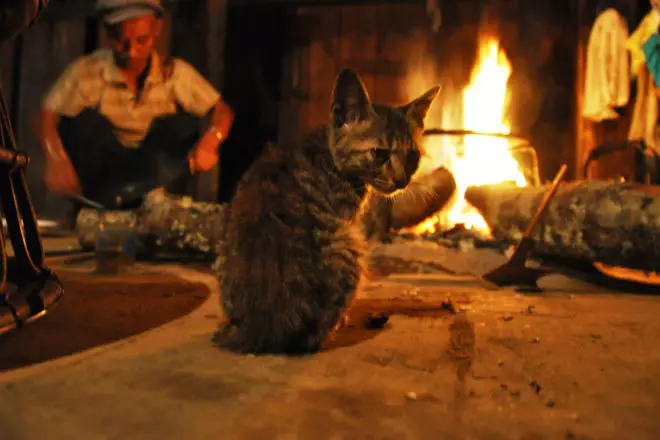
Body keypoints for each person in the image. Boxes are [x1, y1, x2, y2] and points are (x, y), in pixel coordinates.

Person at [39, 0, 234, 257]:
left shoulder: (175, 74)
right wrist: (56, 158)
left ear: (156, 30)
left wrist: (211, 140)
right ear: (108, 33)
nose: (131, 52)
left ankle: (152, 209)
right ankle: (103, 212)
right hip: (104, 176)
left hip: (152, 175)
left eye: (141, 40)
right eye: (122, 41)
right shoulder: (88, 72)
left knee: (177, 125)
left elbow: (222, 112)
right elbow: (47, 113)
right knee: (84, 123)